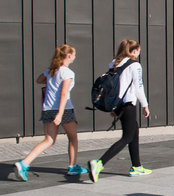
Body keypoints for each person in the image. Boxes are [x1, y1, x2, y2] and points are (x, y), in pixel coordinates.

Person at [12, 45, 88, 181]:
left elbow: (39, 80)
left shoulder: (51, 70)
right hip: (64, 109)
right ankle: (72, 167)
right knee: (73, 137)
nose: (75, 57)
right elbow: (64, 94)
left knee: (49, 140)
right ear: (69, 56)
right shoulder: (68, 73)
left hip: (47, 108)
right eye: (74, 54)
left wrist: (51, 81)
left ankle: (23, 163)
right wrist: (60, 114)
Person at [89, 39, 152, 183]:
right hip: (128, 105)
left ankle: (137, 167)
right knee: (127, 137)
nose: (139, 53)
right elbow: (138, 87)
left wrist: (113, 108)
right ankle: (99, 163)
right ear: (134, 51)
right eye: (139, 50)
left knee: (134, 132)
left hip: (117, 105)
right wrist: (145, 105)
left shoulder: (114, 63)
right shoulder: (135, 65)